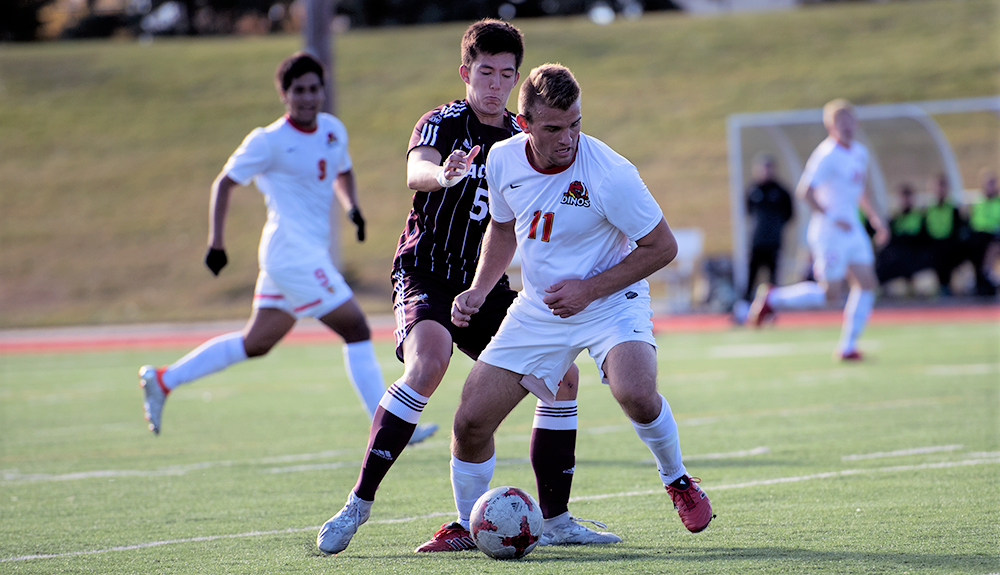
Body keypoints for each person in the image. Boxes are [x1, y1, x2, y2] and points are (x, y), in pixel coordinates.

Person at [316, 21, 619, 556]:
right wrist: (445, 175)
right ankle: (357, 505)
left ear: (518, 79)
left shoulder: (523, 139)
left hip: (485, 286)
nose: (495, 84)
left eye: (506, 74)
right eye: (485, 72)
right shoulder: (441, 123)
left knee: (562, 378)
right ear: (465, 73)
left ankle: (556, 520)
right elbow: (417, 170)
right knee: (428, 364)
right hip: (427, 274)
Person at [446, 63, 714, 541]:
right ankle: (471, 527)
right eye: (553, 128)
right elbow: (504, 228)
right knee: (470, 422)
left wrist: (589, 289)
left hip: (611, 300)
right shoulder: (502, 159)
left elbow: (663, 247)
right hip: (540, 308)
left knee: (634, 392)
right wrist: (480, 288)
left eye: (575, 124)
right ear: (524, 124)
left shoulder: (611, 172)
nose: (567, 138)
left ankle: (677, 479)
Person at [138, 52, 436, 445]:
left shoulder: (332, 130)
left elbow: (342, 169)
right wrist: (216, 243)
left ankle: (163, 380)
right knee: (357, 328)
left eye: (314, 89)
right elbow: (224, 184)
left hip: (304, 255)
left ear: (322, 92)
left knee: (256, 342)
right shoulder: (268, 141)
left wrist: (353, 208)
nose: (308, 98)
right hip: (290, 254)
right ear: (284, 94)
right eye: (299, 91)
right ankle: (388, 428)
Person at [748, 99, 890, 360]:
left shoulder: (859, 152)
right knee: (830, 295)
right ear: (830, 126)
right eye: (840, 122)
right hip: (830, 232)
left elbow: (862, 190)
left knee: (868, 284)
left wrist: (875, 219)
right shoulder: (826, 155)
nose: (846, 126)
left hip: (853, 230)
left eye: (849, 120)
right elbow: (806, 192)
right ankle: (774, 298)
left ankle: (847, 347)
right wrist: (834, 217)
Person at [744, 154, 794, 300]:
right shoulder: (753, 189)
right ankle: (745, 307)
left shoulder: (781, 191)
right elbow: (748, 211)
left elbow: (789, 214)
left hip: (773, 242)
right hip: (756, 241)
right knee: (751, 276)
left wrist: (775, 228)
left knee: (773, 279)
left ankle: (772, 307)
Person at [874, 183, 930, 289]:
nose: (905, 200)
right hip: (898, 252)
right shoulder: (895, 218)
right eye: (903, 197)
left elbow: (923, 237)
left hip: (914, 251)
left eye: (908, 197)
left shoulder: (920, 216)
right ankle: (879, 287)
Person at [924, 173, 966, 295]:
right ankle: (941, 286)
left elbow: (958, 230)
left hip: (949, 245)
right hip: (934, 245)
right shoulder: (929, 209)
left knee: (947, 252)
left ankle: (946, 286)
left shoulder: (953, 209)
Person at [966, 168, 1000, 296]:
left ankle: (987, 275)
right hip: (980, 238)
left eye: (992, 182)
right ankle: (979, 281)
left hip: (995, 237)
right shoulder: (978, 202)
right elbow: (973, 223)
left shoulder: (998, 202)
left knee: (993, 245)